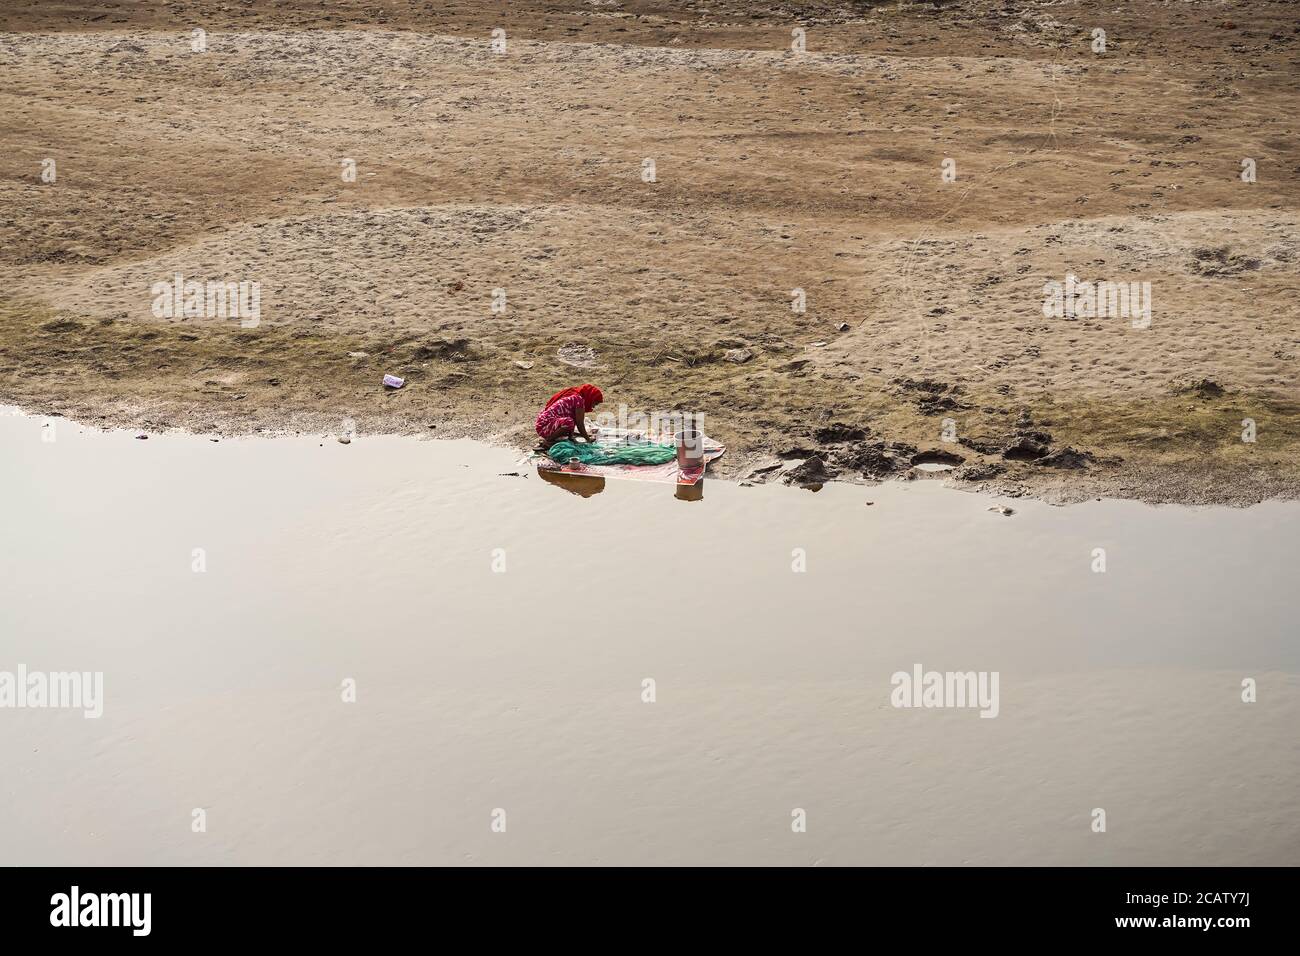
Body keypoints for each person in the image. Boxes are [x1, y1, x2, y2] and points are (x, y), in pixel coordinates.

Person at [535, 383, 603, 450]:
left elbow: (573, 419)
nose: (593, 406)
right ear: (590, 397)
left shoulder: (575, 398)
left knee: (569, 422)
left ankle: (552, 437)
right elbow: (580, 425)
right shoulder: (579, 400)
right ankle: (548, 441)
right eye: (595, 403)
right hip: (544, 426)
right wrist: (588, 440)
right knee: (569, 422)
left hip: (543, 423)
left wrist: (571, 437)